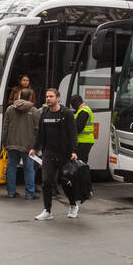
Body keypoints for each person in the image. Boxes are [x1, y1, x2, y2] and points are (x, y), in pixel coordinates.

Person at [30, 87, 80, 220]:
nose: (48, 99)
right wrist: (34, 148)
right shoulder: (45, 114)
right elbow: (40, 134)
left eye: (51, 96)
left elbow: (73, 134)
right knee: (46, 182)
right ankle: (47, 210)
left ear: (58, 98)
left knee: (66, 183)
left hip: (64, 153)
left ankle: (73, 205)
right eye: (47, 96)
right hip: (48, 153)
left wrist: (74, 151)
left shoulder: (67, 113)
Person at [2, 87, 40, 199]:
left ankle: (11, 192)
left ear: (19, 96)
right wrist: (37, 146)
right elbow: (38, 130)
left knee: (12, 167)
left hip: (11, 143)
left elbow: (5, 128)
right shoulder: (34, 111)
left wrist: (5, 142)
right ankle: (30, 192)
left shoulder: (10, 109)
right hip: (28, 145)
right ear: (30, 98)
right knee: (28, 168)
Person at [71, 93, 95, 165]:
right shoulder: (84, 110)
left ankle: (83, 176)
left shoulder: (83, 111)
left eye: (72, 104)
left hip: (84, 141)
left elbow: (78, 128)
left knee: (80, 164)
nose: (72, 107)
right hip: (85, 140)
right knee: (81, 163)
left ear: (76, 102)